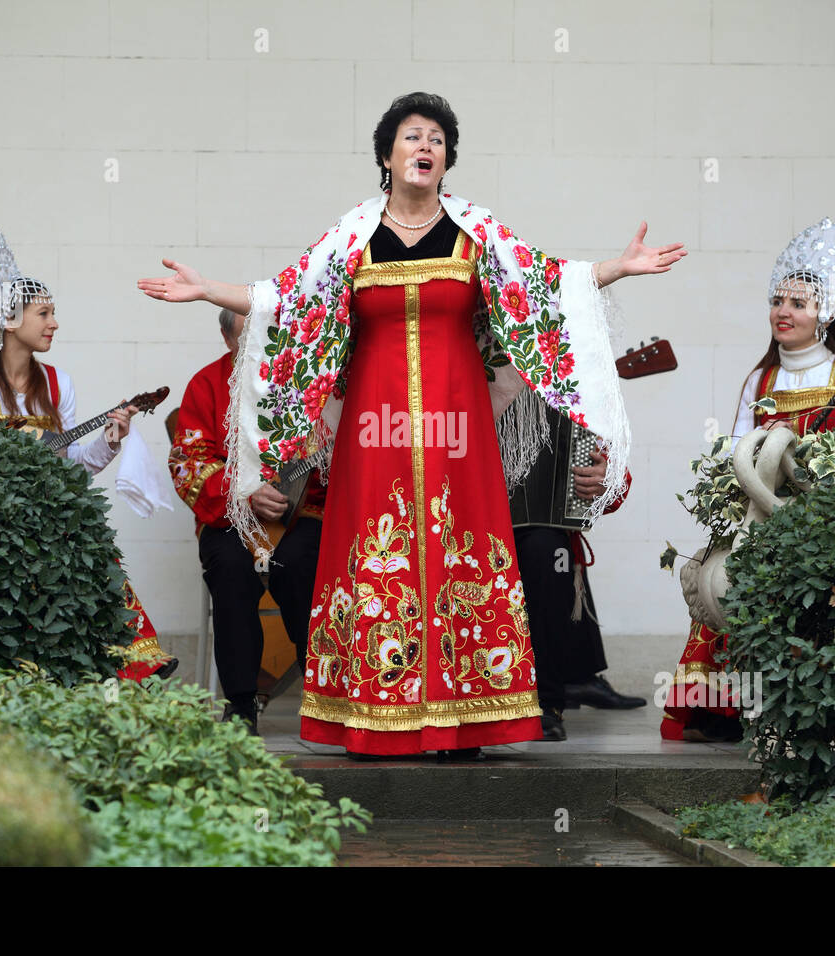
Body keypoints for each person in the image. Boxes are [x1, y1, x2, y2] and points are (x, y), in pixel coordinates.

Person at [140, 92, 685, 756]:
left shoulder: (476, 232)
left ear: (446, 158)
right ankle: (377, 717)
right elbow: (282, 299)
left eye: (436, 139)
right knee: (382, 557)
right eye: (412, 137)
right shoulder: (351, 237)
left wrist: (615, 269)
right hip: (377, 435)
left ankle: (464, 722)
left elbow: (543, 285)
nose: (425, 147)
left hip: (461, 435)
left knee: (460, 557)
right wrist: (208, 290)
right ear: (386, 155)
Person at [662, 218, 835, 742]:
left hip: (822, 518)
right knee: (718, 579)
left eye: (799, 303)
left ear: (823, 316)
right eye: (779, 301)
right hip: (758, 510)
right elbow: (733, 447)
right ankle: (716, 710)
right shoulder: (761, 379)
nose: (785, 312)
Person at [0, 223, 176, 683]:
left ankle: (135, 664)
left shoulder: (57, 384)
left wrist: (111, 440)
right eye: (44, 313)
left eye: (53, 313)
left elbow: (73, 474)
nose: (54, 323)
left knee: (92, 544)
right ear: (10, 321)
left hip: (45, 519)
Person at [169, 307, 326, 735]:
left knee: (299, 566)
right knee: (232, 570)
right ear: (228, 341)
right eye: (249, 337)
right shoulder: (205, 384)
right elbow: (188, 464)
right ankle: (240, 703)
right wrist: (243, 495)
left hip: (302, 517)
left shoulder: (307, 383)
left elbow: (337, 457)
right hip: (230, 518)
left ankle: (323, 694)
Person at [509, 403, 646, 742]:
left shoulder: (573, 390)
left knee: (549, 551)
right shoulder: (473, 374)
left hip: (543, 534)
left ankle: (548, 703)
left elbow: (613, 479)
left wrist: (607, 479)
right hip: (470, 518)